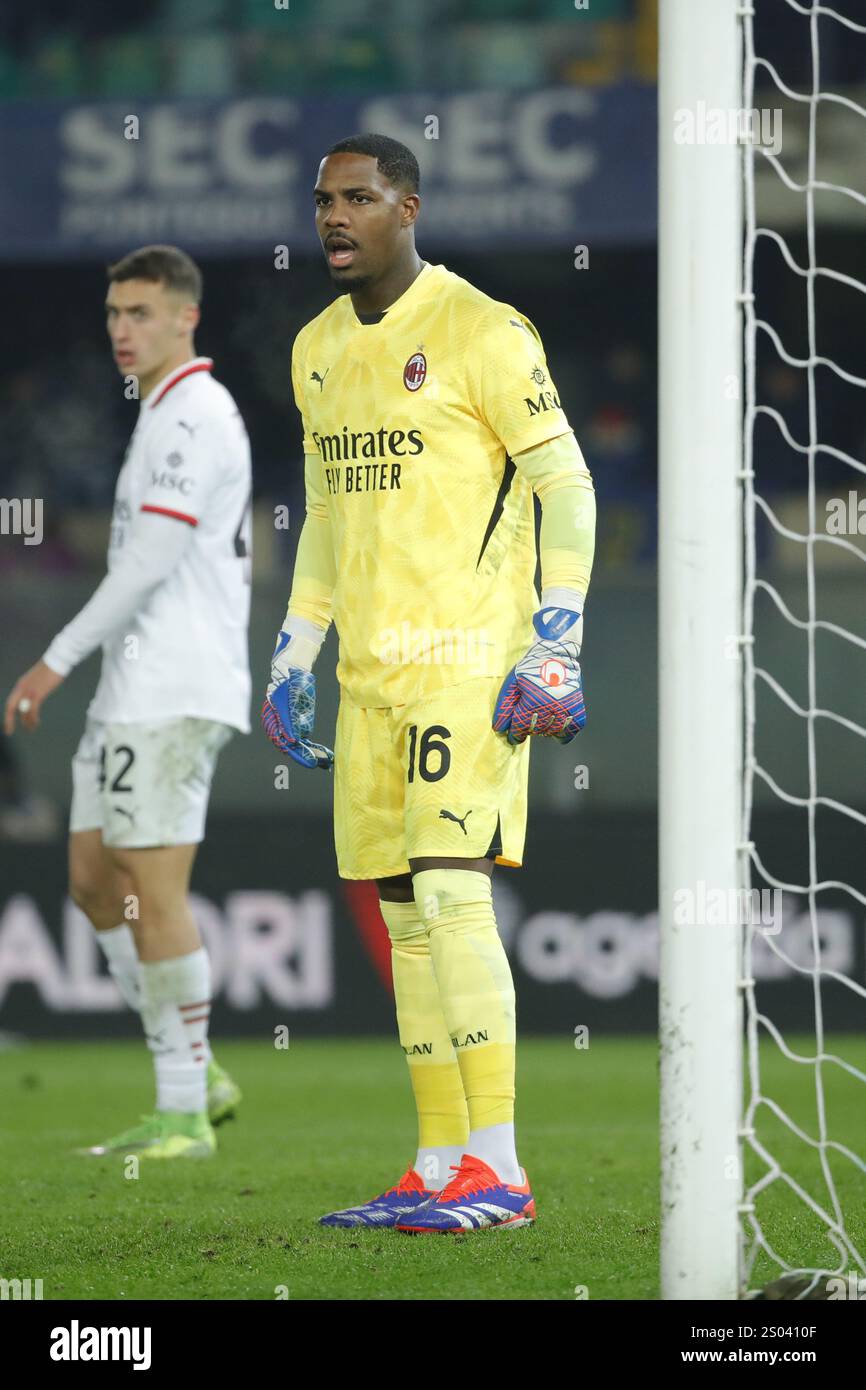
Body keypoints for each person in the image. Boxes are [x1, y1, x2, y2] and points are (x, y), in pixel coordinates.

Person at [262, 134, 596, 1232]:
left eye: (357, 198)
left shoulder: (482, 329)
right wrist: (291, 654)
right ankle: (439, 1164)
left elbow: (562, 478)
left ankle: (500, 1170)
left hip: (469, 662)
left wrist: (558, 637)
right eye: (322, 201)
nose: (333, 217)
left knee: (452, 894)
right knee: (402, 917)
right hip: (369, 681)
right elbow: (321, 517)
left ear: (407, 206)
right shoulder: (313, 350)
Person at [4, 245, 252, 1160]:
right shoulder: (156, 413)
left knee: (152, 888)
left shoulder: (194, 416)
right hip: (131, 689)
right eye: (114, 312)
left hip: (177, 684)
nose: (121, 329)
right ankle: (201, 1074)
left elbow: (148, 559)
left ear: (187, 317)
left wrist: (54, 658)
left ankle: (185, 1109)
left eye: (141, 312)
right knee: (93, 882)